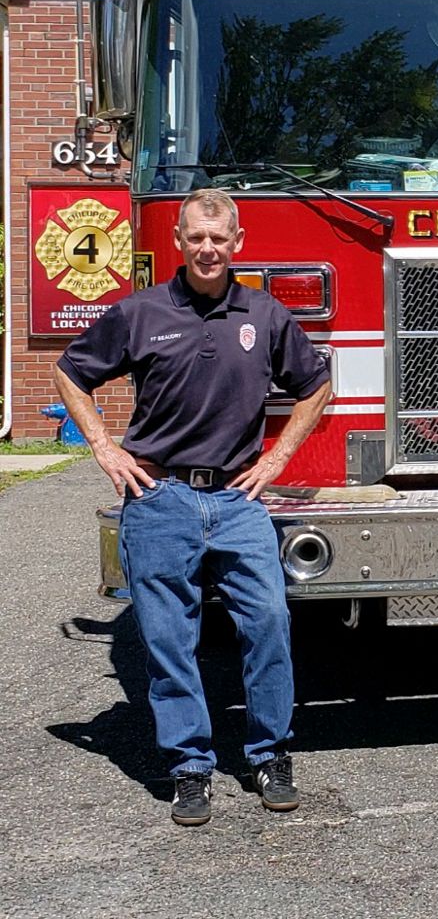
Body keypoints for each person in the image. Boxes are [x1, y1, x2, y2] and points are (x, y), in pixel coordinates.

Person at [54, 189, 332, 825]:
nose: (208, 248)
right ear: (179, 241)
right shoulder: (141, 312)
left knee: (268, 622)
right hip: (159, 499)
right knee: (168, 640)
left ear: (238, 242)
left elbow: (315, 386)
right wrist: (104, 447)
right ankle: (189, 767)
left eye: (219, 238)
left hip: (237, 499)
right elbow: (71, 372)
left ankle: (270, 754)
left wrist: (276, 460)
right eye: (197, 237)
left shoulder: (264, 314)